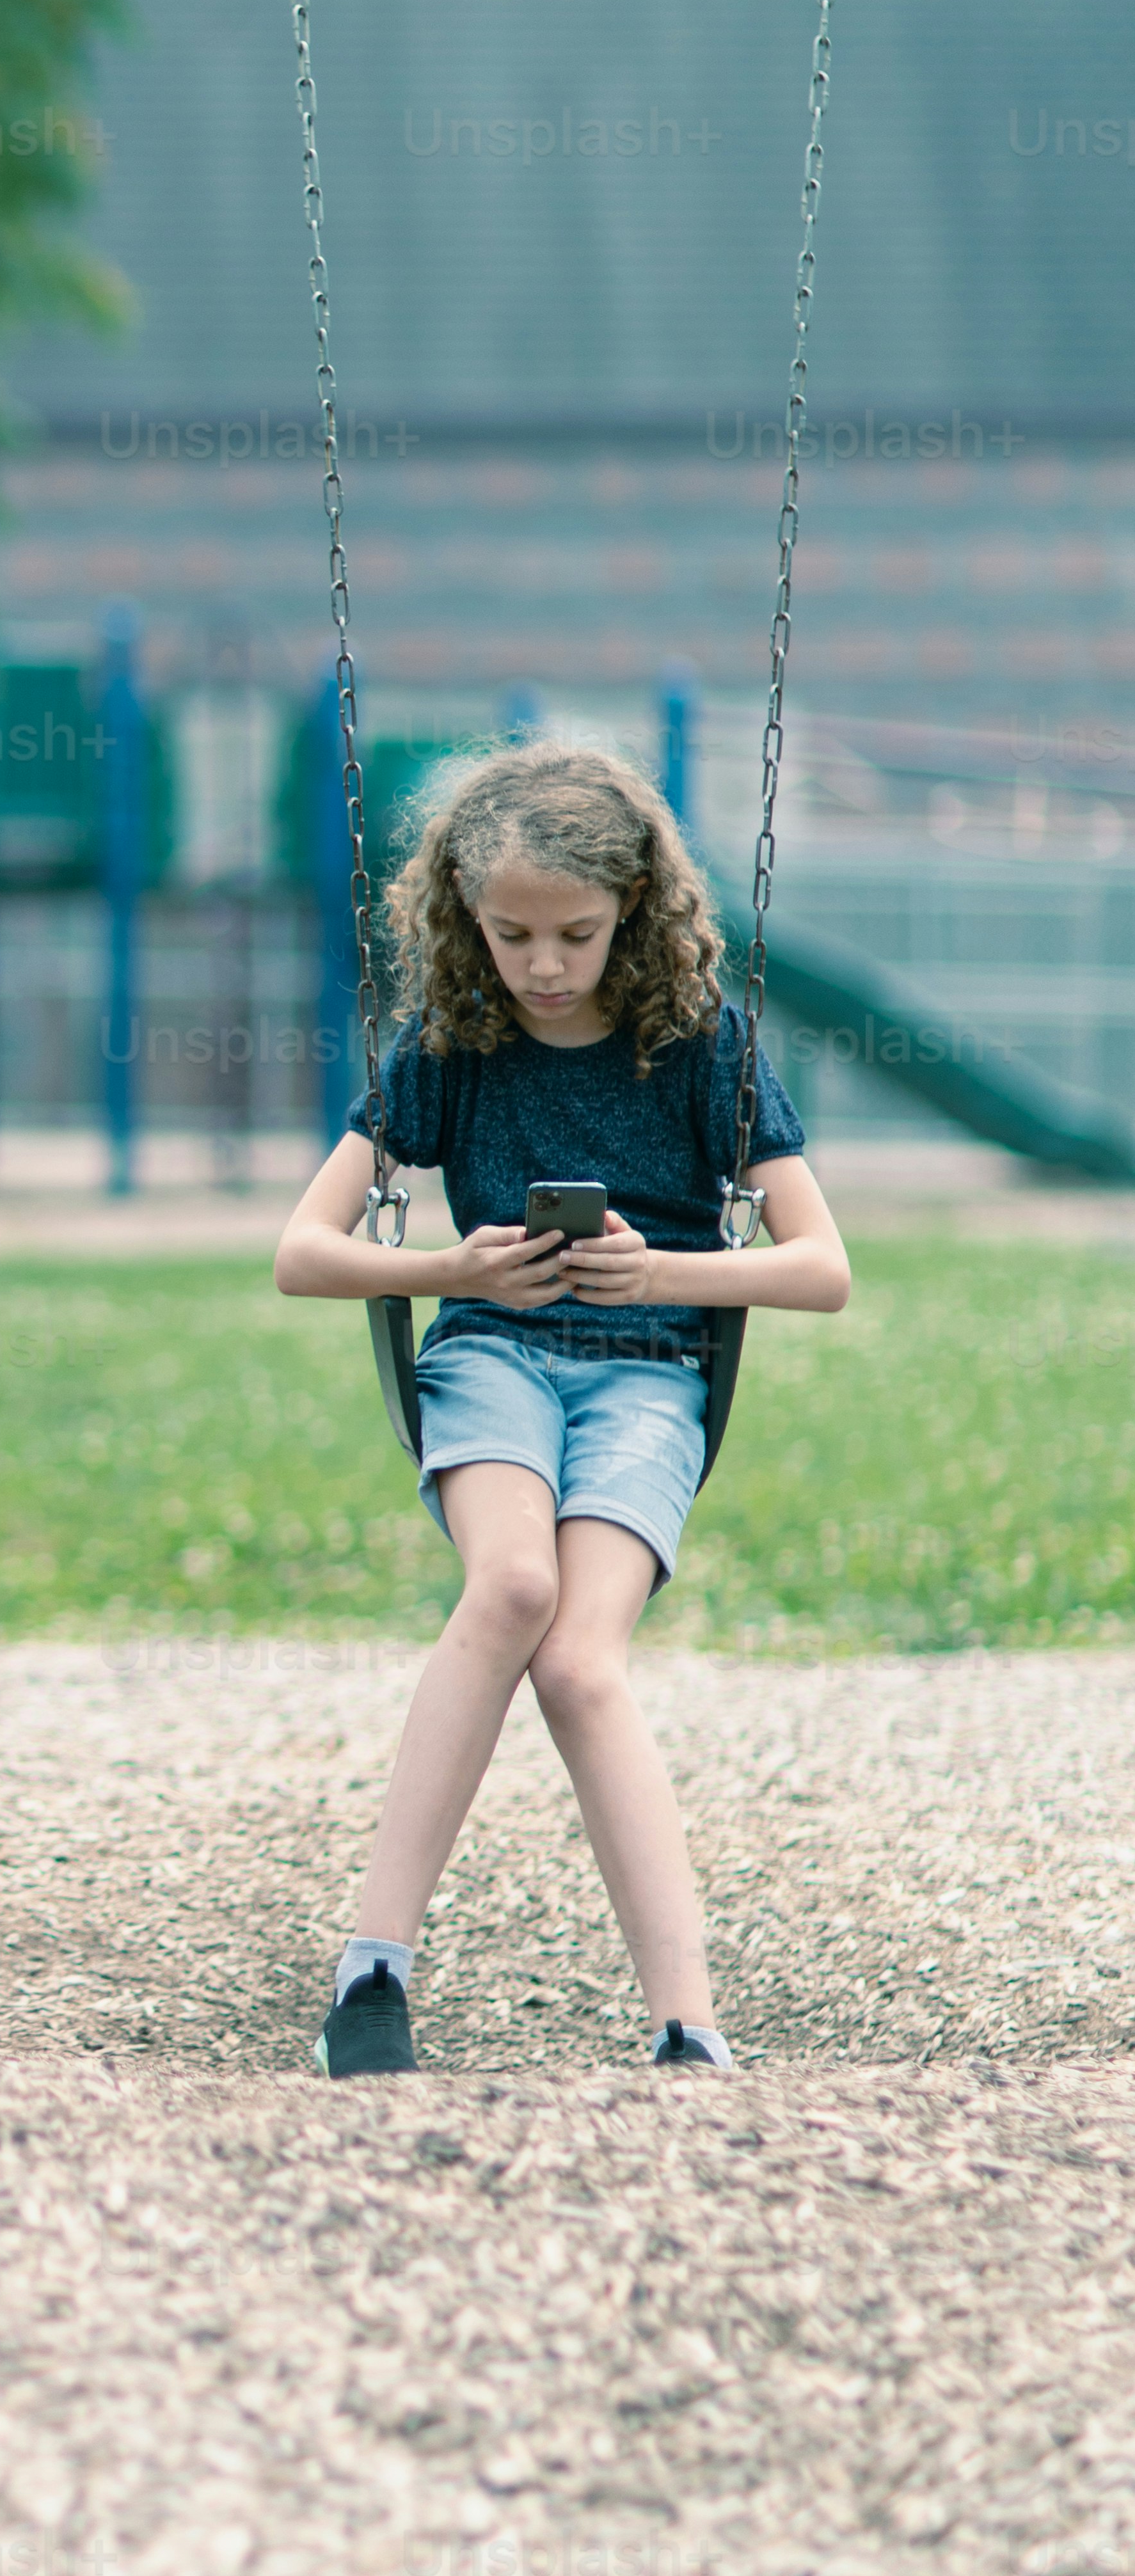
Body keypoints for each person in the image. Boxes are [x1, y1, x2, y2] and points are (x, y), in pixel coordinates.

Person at [273, 739, 848, 2080]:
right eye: (512, 932)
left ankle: (688, 2023)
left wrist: (668, 1270)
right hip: (493, 1357)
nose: (544, 963)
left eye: (577, 934)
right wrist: (448, 1267)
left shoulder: (700, 1048)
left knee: (585, 1661)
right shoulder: (449, 1046)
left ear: (632, 913)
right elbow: (302, 1249)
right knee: (512, 1588)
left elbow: (821, 1267)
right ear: (466, 916)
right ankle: (372, 1973)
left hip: (651, 1375)